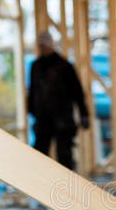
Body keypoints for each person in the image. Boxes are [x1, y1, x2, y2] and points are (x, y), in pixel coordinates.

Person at [27, 31, 90, 171]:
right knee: (39, 154)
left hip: (63, 119)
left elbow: (77, 92)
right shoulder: (36, 66)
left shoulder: (64, 66)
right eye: (40, 46)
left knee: (64, 157)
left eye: (44, 45)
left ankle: (66, 189)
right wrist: (31, 110)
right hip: (43, 119)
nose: (42, 48)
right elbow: (32, 91)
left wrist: (84, 113)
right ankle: (39, 186)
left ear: (50, 45)